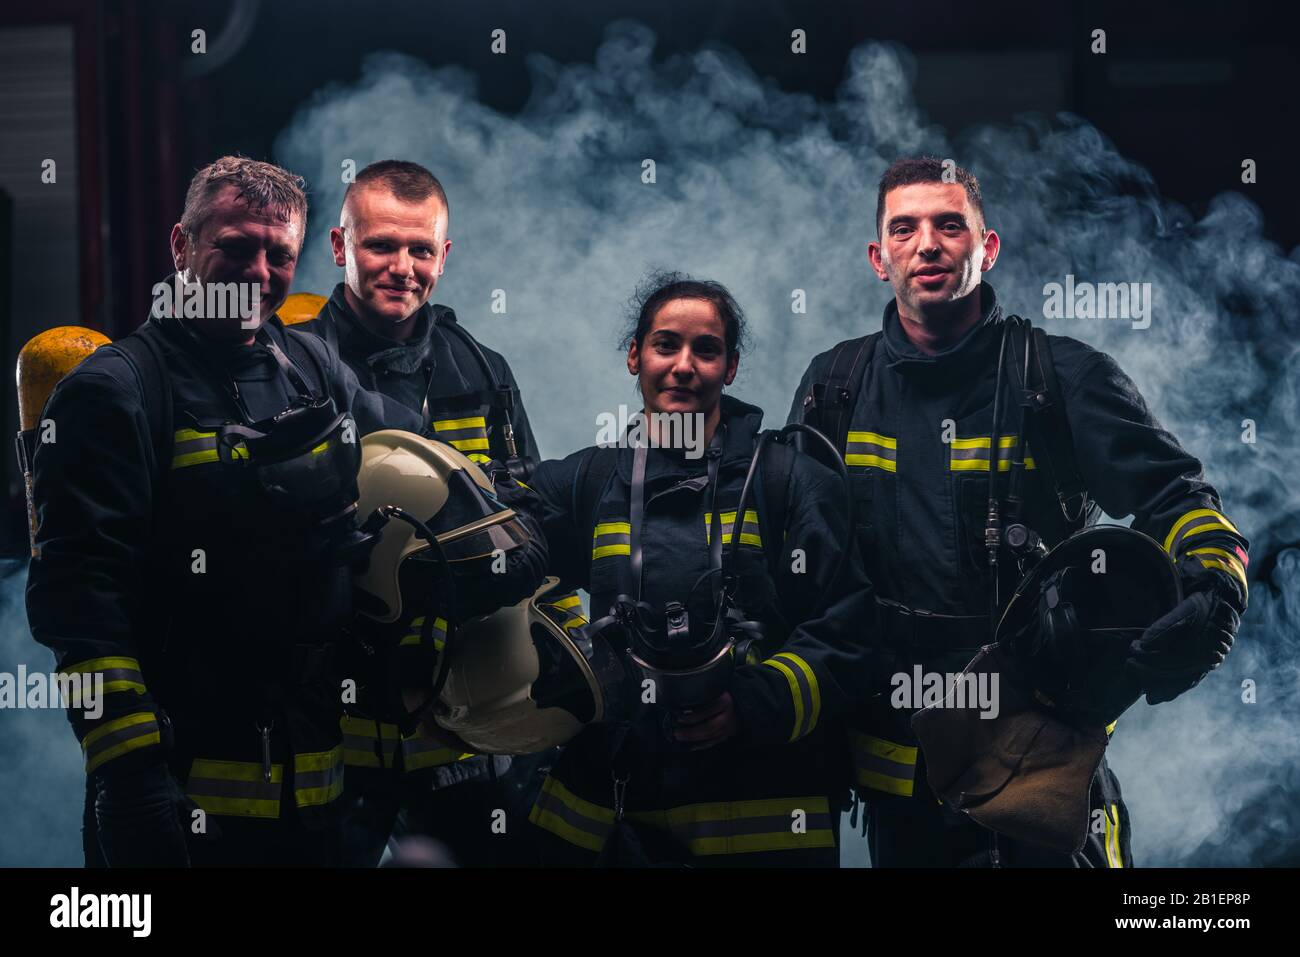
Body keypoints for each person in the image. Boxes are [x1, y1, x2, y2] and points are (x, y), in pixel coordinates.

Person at [787, 156, 1248, 867]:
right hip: (898, 771)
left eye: (949, 225)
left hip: (1044, 745)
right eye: (904, 229)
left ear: (987, 246)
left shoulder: (1062, 376)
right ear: (880, 258)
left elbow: (1180, 498)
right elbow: (798, 561)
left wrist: (1217, 584)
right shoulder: (834, 386)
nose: (928, 244)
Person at [28, 155, 439, 866]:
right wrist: (131, 775)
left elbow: (414, 454)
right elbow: (80, 602)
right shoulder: (117, 391)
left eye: (278, 254)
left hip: (318, 797)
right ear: (181, 245)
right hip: (184, 803)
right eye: (235, 247)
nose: (257, 272)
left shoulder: (312, 368)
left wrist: (507, 513)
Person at [525, 273, 877, 866]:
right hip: (620, 805)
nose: (683, 366)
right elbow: (501, 553)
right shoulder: (587, 482)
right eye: (665, 345)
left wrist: (753, 703)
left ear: (731, 367)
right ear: (635, 357)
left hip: (769, 814)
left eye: (706, 350)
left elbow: (850, 630)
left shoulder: (789, 482)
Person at [295, 160, 550, 866]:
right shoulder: (293, 366)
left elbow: (527, 511)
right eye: (380, 245)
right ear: (341, 247)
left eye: (420, 249)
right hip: (335, 722)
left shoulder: (482, 368)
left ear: (445, 255)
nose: (401, 266)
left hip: (464, 721)